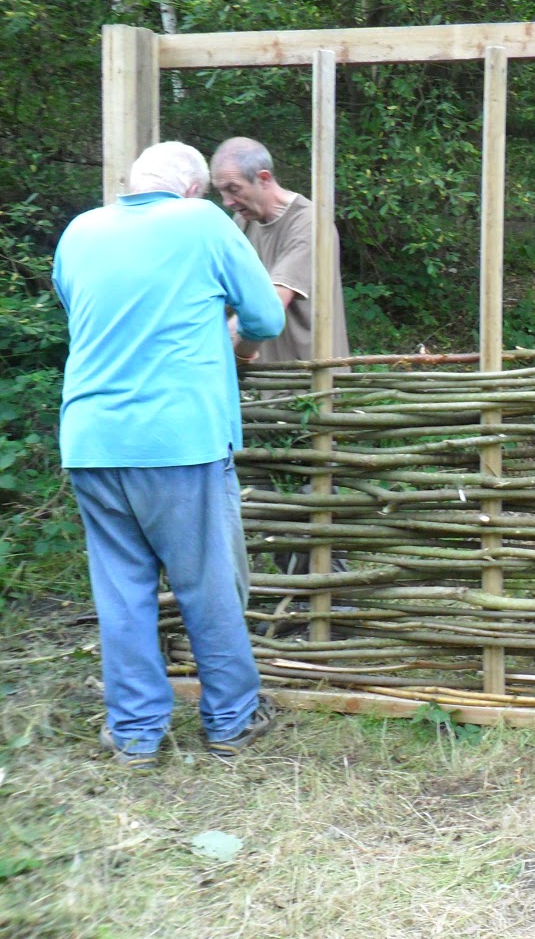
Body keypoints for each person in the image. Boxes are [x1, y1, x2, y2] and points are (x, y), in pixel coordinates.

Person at [54, 142, 285, 769]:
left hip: (92, 440)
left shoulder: (80, 231)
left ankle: (135, 735)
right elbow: (265, 316)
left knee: (121, 592)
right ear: (191, 190)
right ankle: (231, 722)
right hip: (178, 440)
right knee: (206, 584)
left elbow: (84, 316)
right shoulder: (200, 222)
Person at [208, 136, 350, 367]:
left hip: (308, 383)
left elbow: (269, 307)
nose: (227, 201)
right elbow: (221, 296)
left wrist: (211, 353)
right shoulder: (242, 223)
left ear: (263, 178)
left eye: (233, 189)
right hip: (266, 384)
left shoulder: (310, 224)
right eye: (221, 192)